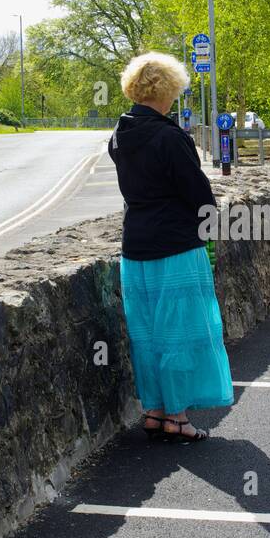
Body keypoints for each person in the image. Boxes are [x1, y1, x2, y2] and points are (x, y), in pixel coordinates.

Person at [109, 52, 233, 442]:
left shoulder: (119, 134)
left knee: (146, 333)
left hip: (136, 244)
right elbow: (197, 194)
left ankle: (154, 410)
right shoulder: (170, 136)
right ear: (168, 89)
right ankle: (178, 417)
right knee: (179, 331)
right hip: (175, 246)